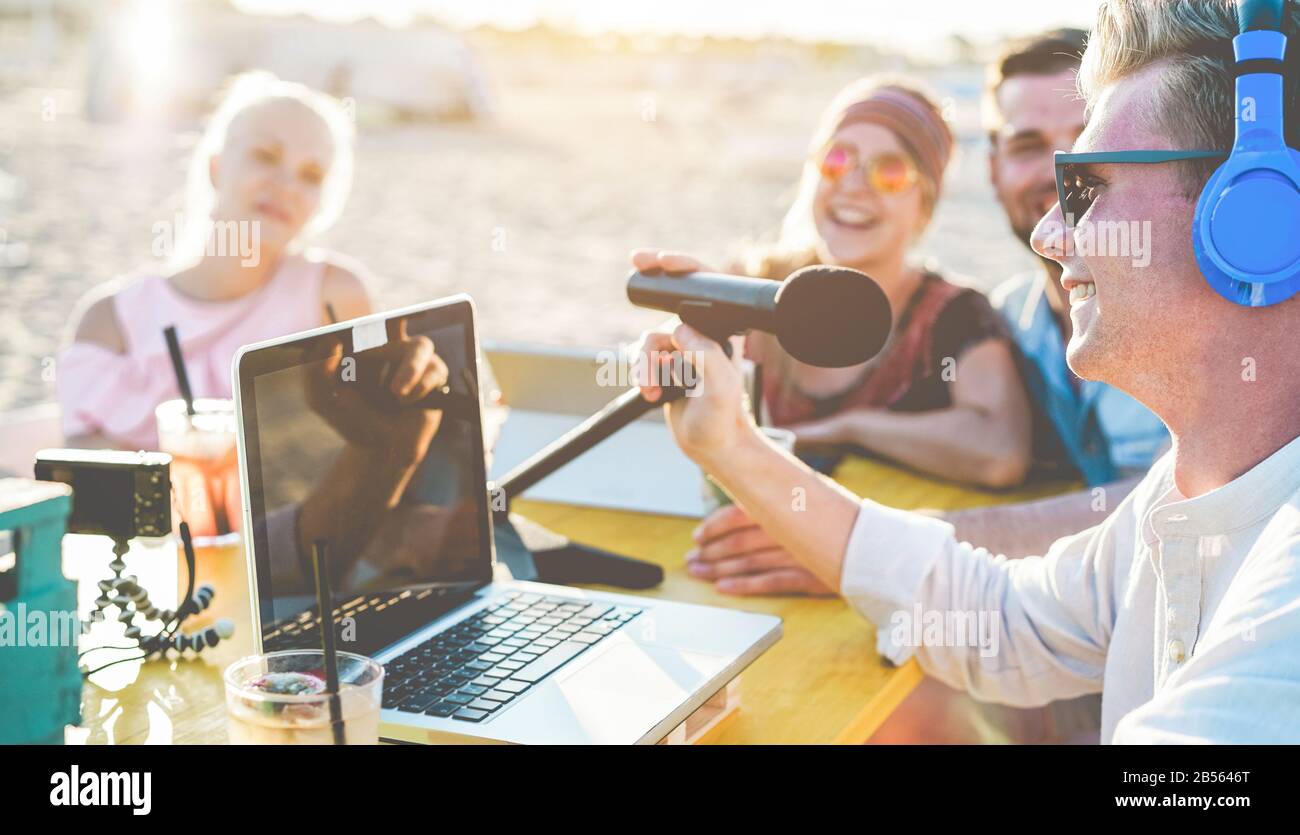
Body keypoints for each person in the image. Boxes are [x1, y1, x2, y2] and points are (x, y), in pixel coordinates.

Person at [632, 0, 1300, 742]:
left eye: (1085, 187)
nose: (1049, 234)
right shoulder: (1182, 494)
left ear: (1254, 225)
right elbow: (1002, 621)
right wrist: (728, 442)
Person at [649, 77, 1034, 494]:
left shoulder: (953, 314)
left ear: (924, 204)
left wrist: (850, 429)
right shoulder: (752, 283)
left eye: (889, 171)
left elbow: (1000, 452)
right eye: (837, 160)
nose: (853, 185)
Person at [58, 71, 372, 451]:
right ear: (215, 168)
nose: (287, 184)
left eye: (311, 174)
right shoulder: (110, 322)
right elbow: (83, 477)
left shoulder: (335, 298)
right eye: (266, 155)